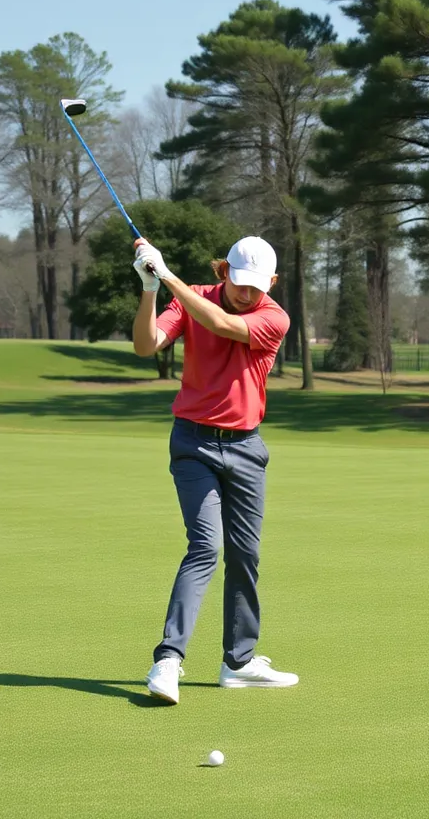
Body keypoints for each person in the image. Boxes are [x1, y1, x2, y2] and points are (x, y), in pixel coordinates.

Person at [130, 235, 298, 705]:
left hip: (246, 448)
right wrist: (149, 289)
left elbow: (223, 325)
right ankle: (167, 661)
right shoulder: (192, 299)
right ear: (224, 271)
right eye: (240, 283)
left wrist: (167, 276)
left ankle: (238, 663)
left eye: (258, 287)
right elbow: (146, 346)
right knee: (205, 546)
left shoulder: (274, 316)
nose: (248, 294)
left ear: (272, 282)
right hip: (193, 443)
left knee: (246, 555)